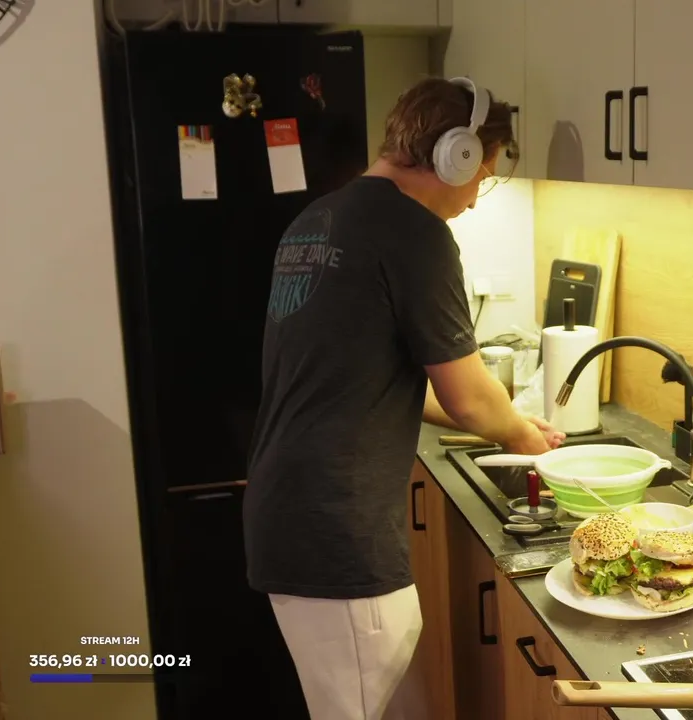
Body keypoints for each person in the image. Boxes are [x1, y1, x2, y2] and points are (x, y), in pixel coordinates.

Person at [242, 76, 564, 720]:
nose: (473, 198)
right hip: (337, 531)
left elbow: (371, 378)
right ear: (456, 155)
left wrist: (507, 420)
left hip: (290, 510)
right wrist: (521, 436)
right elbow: (470, 399)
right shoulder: (414, 233)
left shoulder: (317, 220)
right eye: (483, 175)